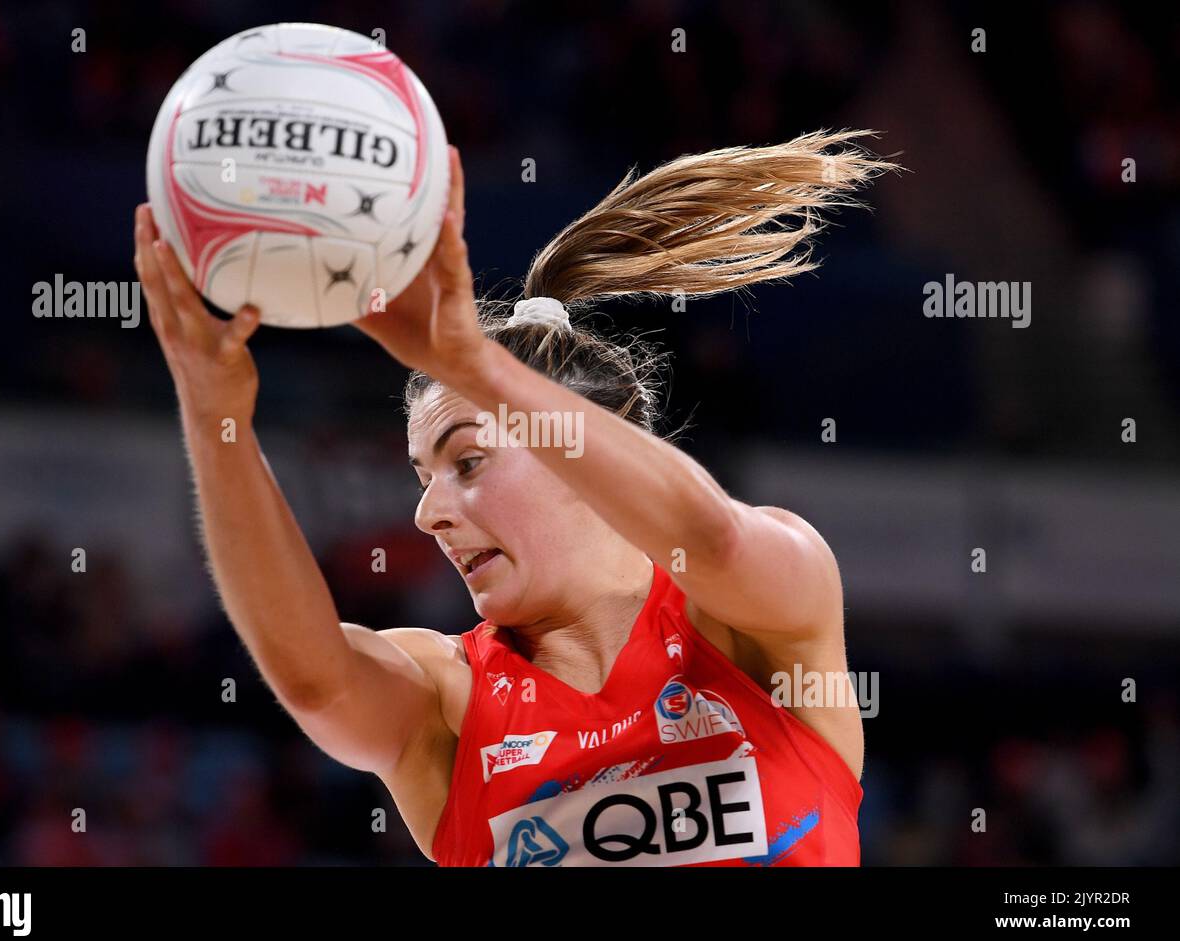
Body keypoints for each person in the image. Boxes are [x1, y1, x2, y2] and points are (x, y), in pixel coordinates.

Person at [132, 130, 893, 866]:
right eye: (422, 477)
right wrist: (217, 419)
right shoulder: (448, 696)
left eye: (467, 461)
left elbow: (713, 537)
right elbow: (314, 679)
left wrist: (481, 370)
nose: (428, 515)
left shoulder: (750, 627)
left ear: (583, 454)